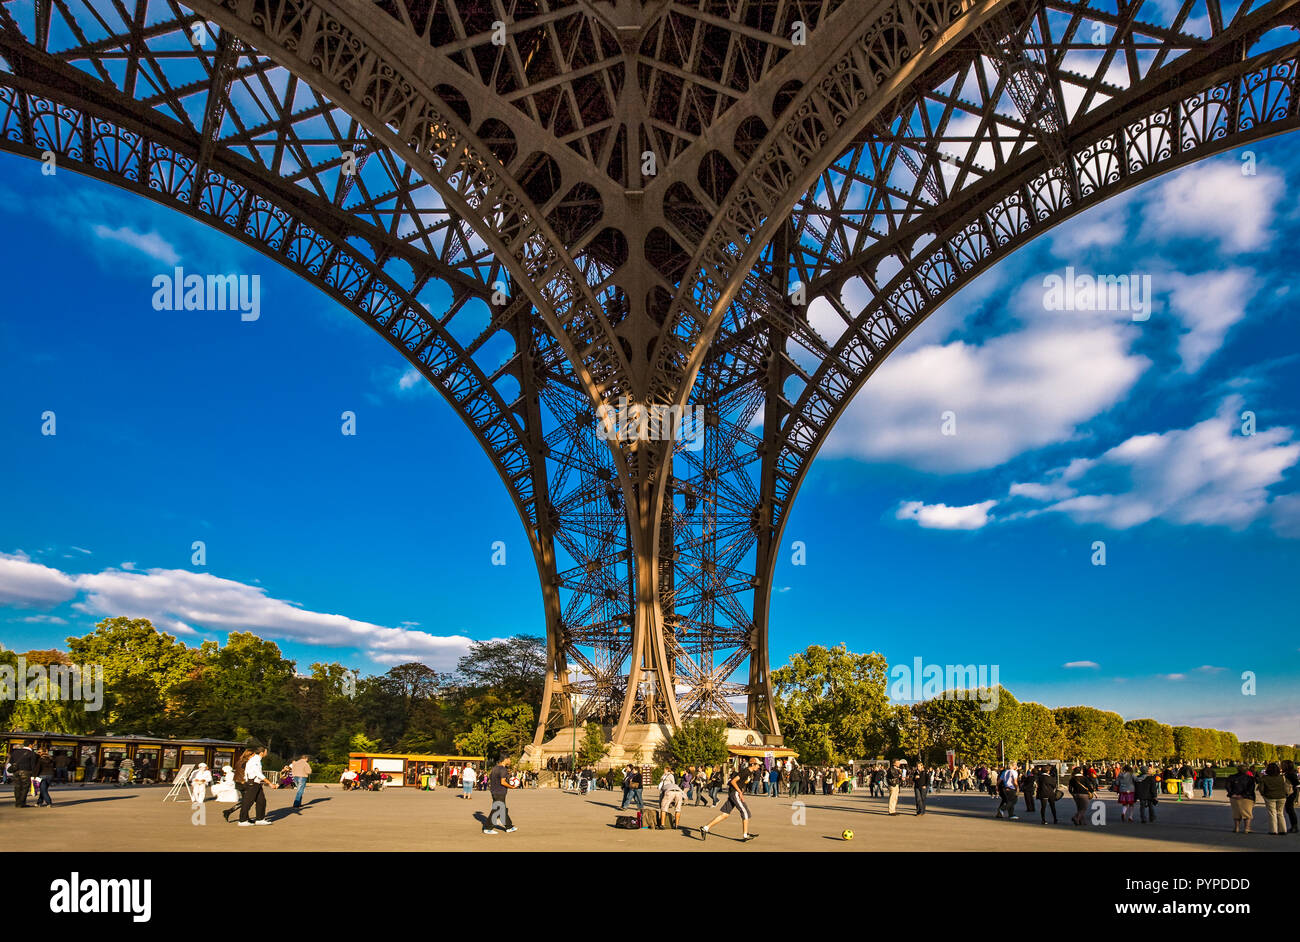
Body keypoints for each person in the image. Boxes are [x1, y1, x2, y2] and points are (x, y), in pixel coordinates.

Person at [700, 758, 759, 842]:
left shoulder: (749, 772)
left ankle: (705, 828)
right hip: (735, 793)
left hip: (733, 793)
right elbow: (733, 781)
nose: (759, 766)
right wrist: (740, 792)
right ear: (753, 764)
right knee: (745, 812)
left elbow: (739, 782)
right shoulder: (745, 771)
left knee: (725, 814)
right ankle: (745, 835)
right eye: (757, 765)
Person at [483, 755, 518, 834]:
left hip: (494, 791)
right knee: (497, 809)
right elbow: (503, 782)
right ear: (505, 759)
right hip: (500, 792)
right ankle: (487, 828)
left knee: (502, 809)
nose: (510, 761)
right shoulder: (503, 769)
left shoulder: (494, 768)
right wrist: (511, 787)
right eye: (509, 759)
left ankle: (509, 827)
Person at [237, 746, 271, 826]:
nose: (267, 753)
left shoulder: (256, 759)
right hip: (252, 783)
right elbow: (257, 773)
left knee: (261, 801)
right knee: (248, 802)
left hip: (256, 783)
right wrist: (269, 783)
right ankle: (242, 820)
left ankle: (260, 819)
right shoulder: (255, 760)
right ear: (262, 753)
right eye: (266, 752)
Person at [1258, 762, 1292, 836]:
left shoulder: (1264, 778)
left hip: (1269, 797)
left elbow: (1261, 789)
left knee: (1272, 813)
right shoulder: (1282, 777)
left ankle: (1273, 830)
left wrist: (1263, 794)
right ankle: (1283, 830)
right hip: (1282, 796)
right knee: (1280, 813)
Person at [1226, 764, 1256, 833]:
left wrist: (1232, 794)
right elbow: (1251, 789)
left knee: (1236, 813)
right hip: (1247, 798)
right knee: (1247, 814)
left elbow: (1228, 786)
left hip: (1234, 797)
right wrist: (1243, 795)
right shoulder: (1250, 778)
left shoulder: (1231, 777)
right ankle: (1247, 828)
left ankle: (1236, 828)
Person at [9, 740, 38, 808]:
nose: (34, 746)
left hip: (16, 772)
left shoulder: (15, 752)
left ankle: (17, 802)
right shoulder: (31, 753)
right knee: (25, 787)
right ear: (30, 745)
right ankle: (22, 803)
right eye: (33, 744)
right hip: (26, 772)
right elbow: (33, 765)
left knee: (17, 787)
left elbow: (11, 762)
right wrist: (34, 775)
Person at [1282, 760, 1299, 834]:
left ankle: (1294, 827)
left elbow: (1297, 783)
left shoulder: (1290, 774)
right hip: (1291, 793)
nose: (1281, 766)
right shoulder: (1289, 773)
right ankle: (1294, 826)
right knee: (1289, 809)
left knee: (1290, 809)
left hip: (1291, 793)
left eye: (1283, 765)